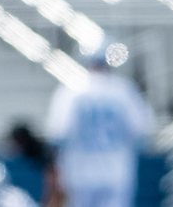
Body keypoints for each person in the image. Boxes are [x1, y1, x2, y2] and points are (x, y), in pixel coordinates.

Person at [45, 44, 153, 207]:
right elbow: (142, 129)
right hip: (117, 169)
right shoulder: (124, 90)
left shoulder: (70, 90)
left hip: (80, 170)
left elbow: (57, 133)